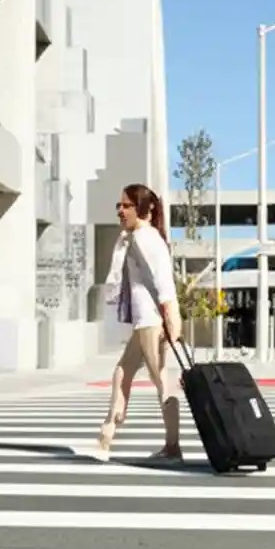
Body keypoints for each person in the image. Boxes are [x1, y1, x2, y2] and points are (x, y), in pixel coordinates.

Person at [97, 183, 183, 461]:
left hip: (152, 319)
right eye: (118, 206)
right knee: (123, 371)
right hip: (146, 319)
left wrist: (171, 320)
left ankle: (169, 445)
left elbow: (162, 282)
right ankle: (109, 430)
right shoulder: (137, 237)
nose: (120, 211)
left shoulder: (145, 238)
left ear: (143, 208)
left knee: (161, 381)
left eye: (126, 205)